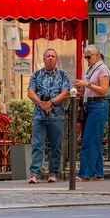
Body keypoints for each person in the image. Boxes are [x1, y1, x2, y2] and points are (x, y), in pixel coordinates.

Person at [26, 48, 72, 184]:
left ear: (56, 59)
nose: (50, 58)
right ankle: (35, 173)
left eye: (53, 56)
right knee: (37, 145)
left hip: (56, 116)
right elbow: (30, 92)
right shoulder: (36, 75)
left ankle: (53, 173)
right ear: (44, 58)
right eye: (48, 56)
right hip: (39, 116)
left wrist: (51, 103)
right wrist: (41, 104)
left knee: (56, 146)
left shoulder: (63, 75)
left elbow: (65, 93)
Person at [73, 44, 110, 182]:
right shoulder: (90, 69)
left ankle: (85, 173)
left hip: (98, 105)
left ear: (97, 55)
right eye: (85, 58)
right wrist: (82, 88)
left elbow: (104, 90)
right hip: (89, 105)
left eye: (88, 57)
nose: (87, 60)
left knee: (89, 141)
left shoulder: (102, 69)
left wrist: (86, 84)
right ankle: (97, 173)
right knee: (94, 140)